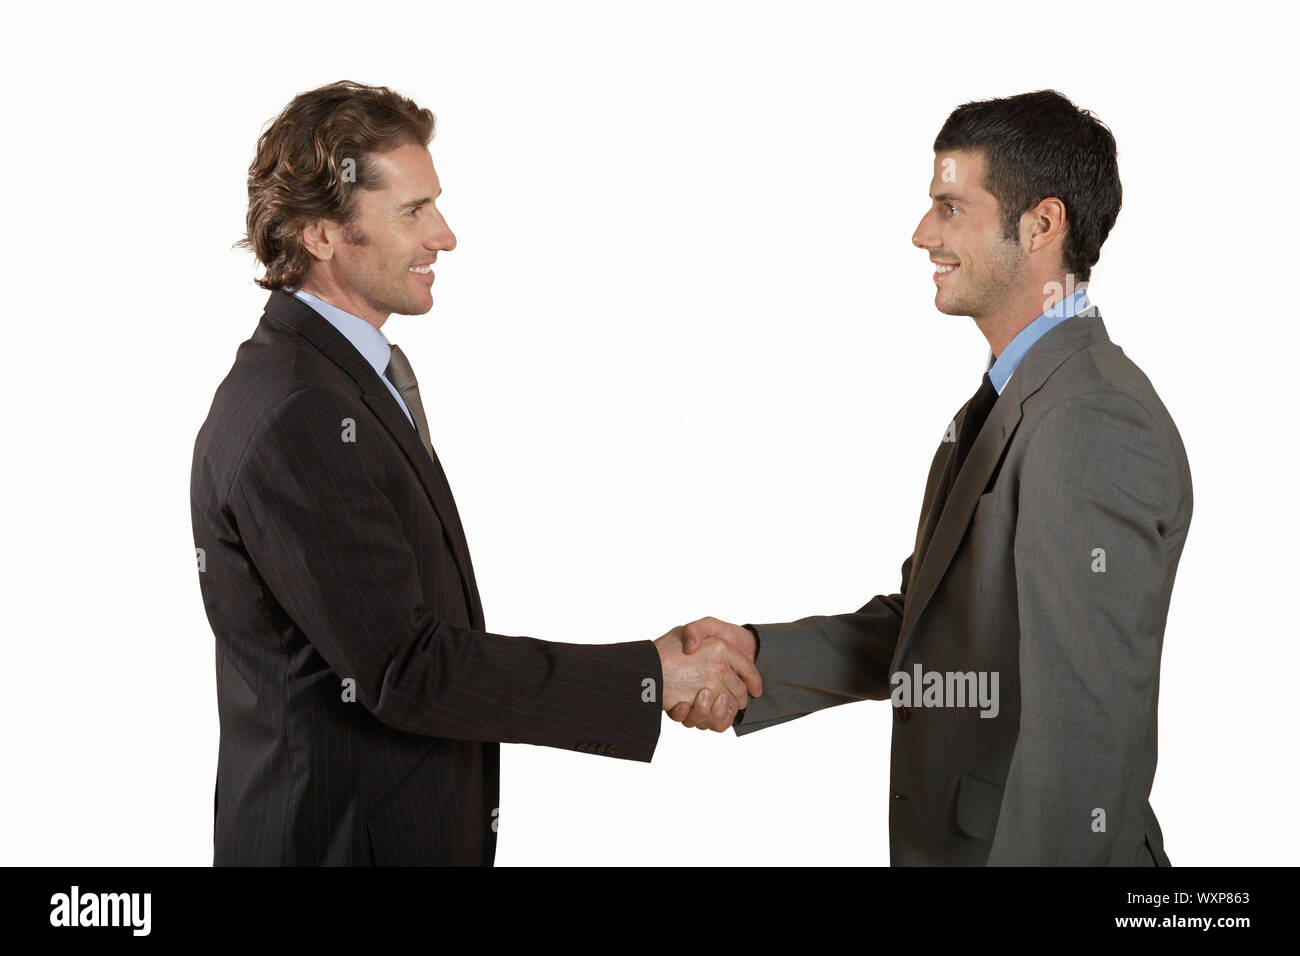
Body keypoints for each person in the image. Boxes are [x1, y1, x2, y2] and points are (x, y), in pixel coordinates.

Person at [189, 80, 760, 866]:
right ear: (322, 233)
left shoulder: (331, 379)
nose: (445, 236)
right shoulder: (302, 410)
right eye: (413, 211)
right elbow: (406, 669)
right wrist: (647, 675)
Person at [670, 90, 1192, 866]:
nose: (922, 234)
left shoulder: (1091, 422)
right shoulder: (1013, 403)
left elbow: (1085, 742)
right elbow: (933, 630)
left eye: (951, 208)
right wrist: (756, 656)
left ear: (1042, 225)